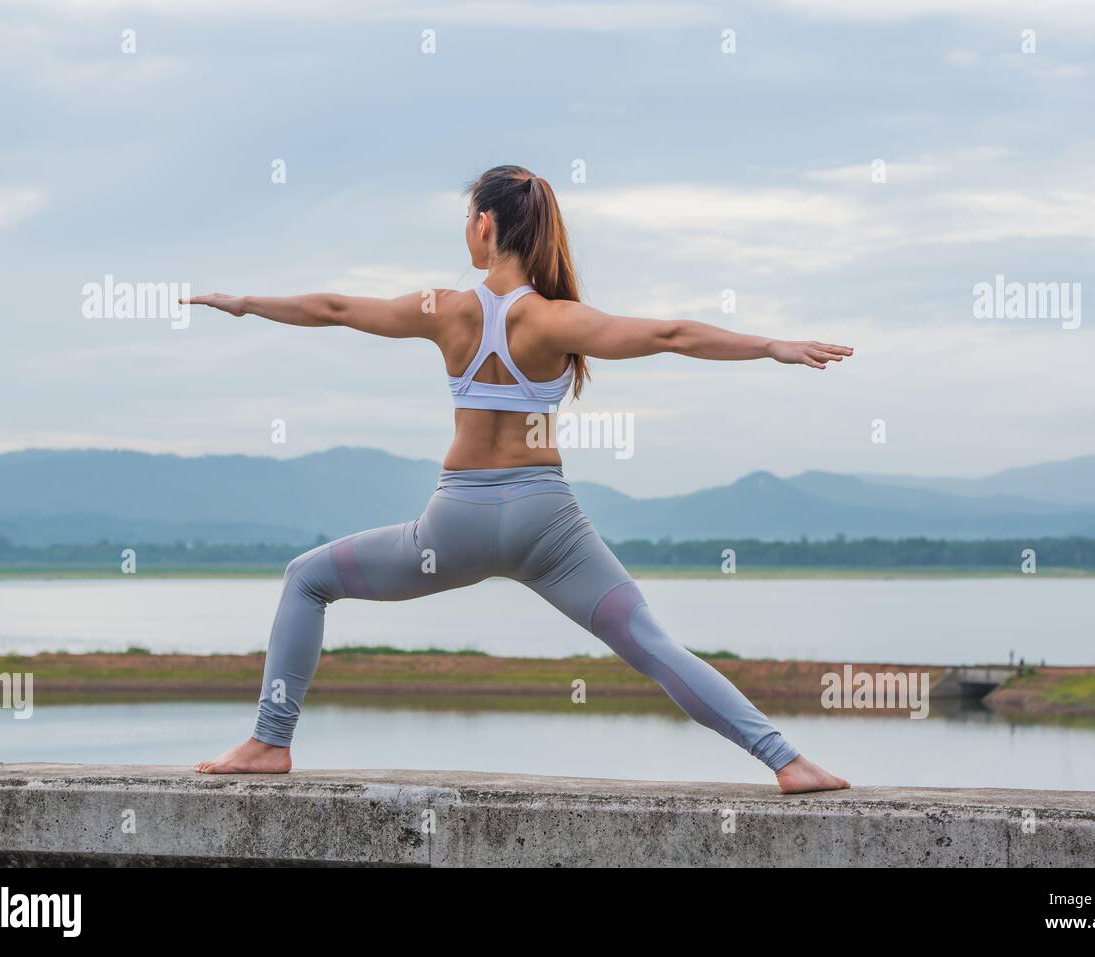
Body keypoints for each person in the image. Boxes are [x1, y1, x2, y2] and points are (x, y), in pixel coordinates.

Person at [186, 165, 853, 793]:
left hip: (453, 529)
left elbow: (333, 307)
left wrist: (243, 303)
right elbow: (672, 333)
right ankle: (785, 761)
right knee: (650, 643)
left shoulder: (443, 309)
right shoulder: (558, 319)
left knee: (308, 577)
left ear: (483, 225)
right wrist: (771, 345)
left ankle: (270, 742)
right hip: (547, 524)